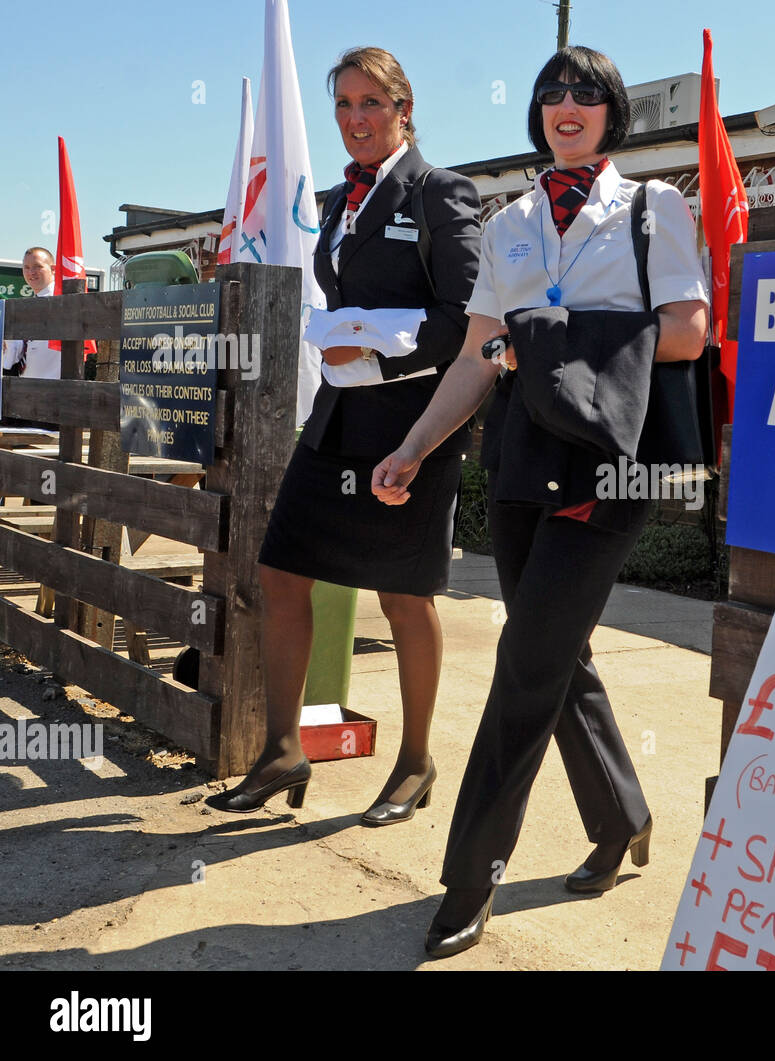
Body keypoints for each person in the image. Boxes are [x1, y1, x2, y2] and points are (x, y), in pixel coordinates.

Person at [372, 45, 708, 958]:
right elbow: (481, 349)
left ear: (611, 113)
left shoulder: (653, 207)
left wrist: (552, 338)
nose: (568, 105)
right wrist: (411, 446)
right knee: (557, 655)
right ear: (538, 113)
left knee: (524, 667)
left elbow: (688, 332)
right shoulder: (511, 218)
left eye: (587, 94)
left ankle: (467, 877)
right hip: (521, 458)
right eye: (553, 93)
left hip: (609, 462)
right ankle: (623, 816)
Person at [207, 47, 482, 825]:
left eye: (371, 103)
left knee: (403, 597)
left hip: (414, 427)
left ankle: (415, 760)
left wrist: (373, 340)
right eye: (344, 105)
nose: (356, 119)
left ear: (404, 107)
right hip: (334, 419)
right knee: (281, 574)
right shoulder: (334, 203)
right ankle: (283, 748)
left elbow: (468, 322)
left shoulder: (440, 193)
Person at [2, 248, 59, 380]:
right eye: (26, 267)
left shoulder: (62, 303)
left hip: (55, 389)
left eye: (37, 266)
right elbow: (13, 355)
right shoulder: (25, 307)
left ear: (53, 269)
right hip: (25, 387)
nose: (31, 272)